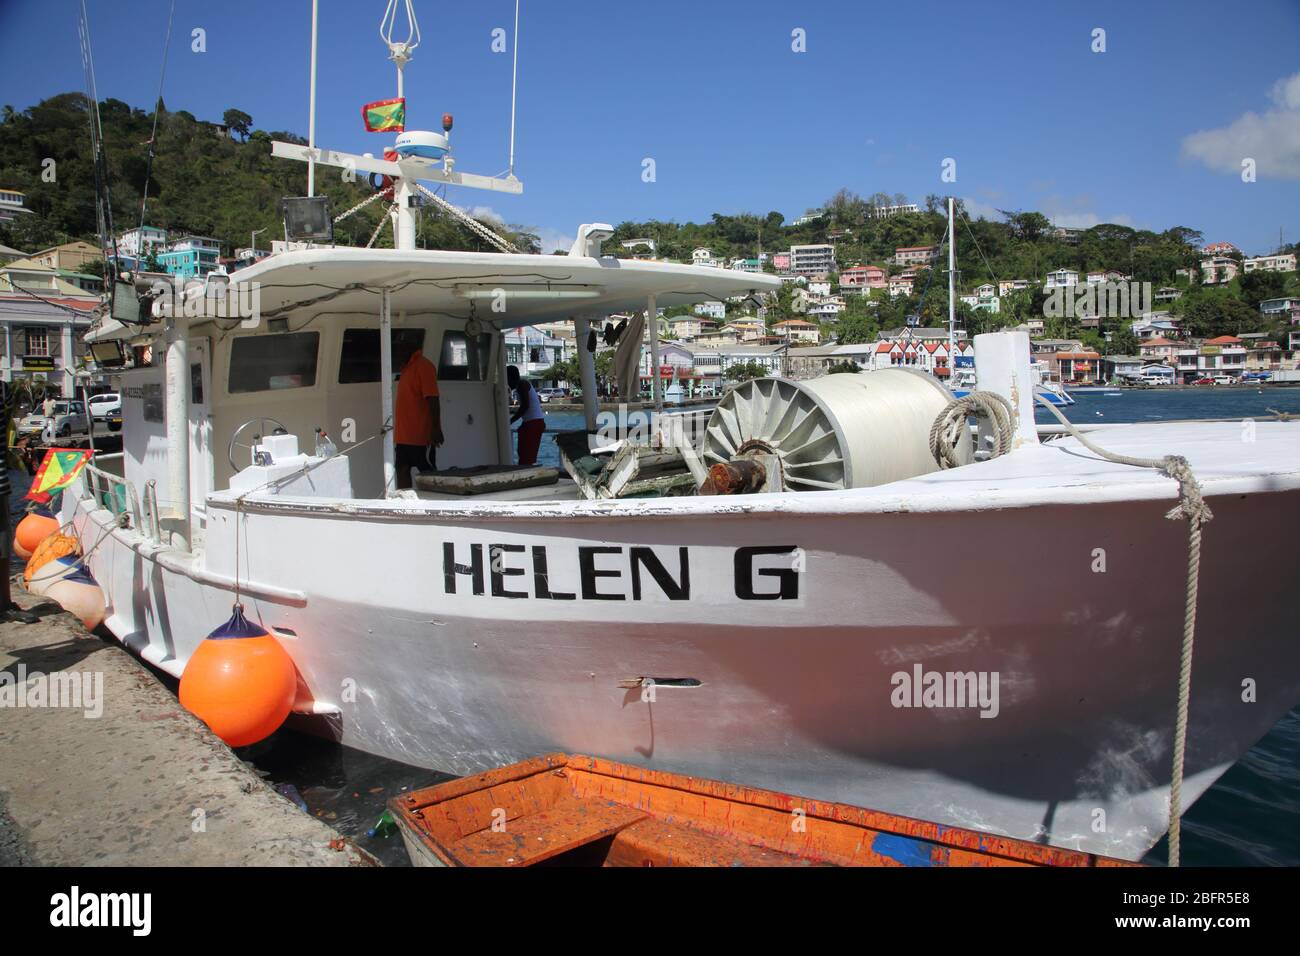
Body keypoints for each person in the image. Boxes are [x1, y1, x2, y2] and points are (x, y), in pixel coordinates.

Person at [393, 339, 443, 489]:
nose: (398, 351)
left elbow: (433, 398)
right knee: (401, 469)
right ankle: (406, 505)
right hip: (403, 436)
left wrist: (435, 428)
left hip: (421, 436)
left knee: (428, 473)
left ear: (411, 348)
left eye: (401, 347)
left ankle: (436, 503)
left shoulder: (424, 366)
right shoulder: (406, 368)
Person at [507, 365, 545, 466]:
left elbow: (525, 406)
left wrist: (511, 420)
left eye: (507, 380)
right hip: (530, 423)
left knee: (526, 457)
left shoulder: (522, 385)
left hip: (534, 423)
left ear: (511, 378)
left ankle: (526, 474)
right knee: (523, 453)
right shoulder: (521, 385)